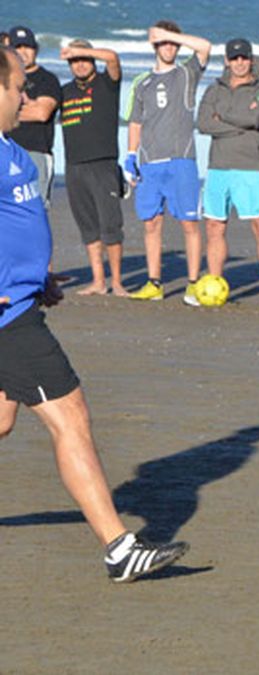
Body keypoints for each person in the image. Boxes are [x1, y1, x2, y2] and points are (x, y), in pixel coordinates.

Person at [0, 49, 189, 582]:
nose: (28, 97)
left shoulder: (11, 149)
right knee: (71, 416)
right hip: (9, 318)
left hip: (23, 298)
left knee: (3, 418)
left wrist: (42, 278)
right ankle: (118, 547)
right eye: (18, 88)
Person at [124, 20, 211, 303]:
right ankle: (154, 283)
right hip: (150, 162)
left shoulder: (186, 73)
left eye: (173, 42)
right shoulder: (142, 82)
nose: (169, 47)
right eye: (163, 42)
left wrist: (171, 34)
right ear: (155, 46)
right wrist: (129, 156)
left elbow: (205, 47)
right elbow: (135, 122)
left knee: (189, 223)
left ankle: (193, 283)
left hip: (181, 160)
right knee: (151, 223)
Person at [196, 38, 259, 310]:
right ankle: (214, 281)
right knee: (214, 227)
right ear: (226, 61)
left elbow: (256, 119)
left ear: (251, 59)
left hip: (252, 167)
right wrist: (238, 124)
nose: (240, 63)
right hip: (219, 166)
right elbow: (203, 123)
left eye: (244, 58)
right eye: (234, 58)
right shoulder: (214, 89)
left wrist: (225, 119)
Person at [59, 39, 125, 296]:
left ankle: (117, 282)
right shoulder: (64, 91)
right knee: (88, 225)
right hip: (75, 165)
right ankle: (99, 281)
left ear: (92, 59)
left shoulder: (107, 83)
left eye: (84, 59)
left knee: (111, 225)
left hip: (103, 163)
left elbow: (113, 58)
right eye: (74, 61)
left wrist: (81, 50)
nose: (80, 64)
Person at [8, 27, 60, 207]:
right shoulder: (5, 79)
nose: (22, 52)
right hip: (5, 151)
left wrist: (7, 111)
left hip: (35, 153)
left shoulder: (47, 79)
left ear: (35, 50)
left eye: (27, 47)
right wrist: (28, 106)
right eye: (17, 47)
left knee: (35, 210)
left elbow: (41, 113)